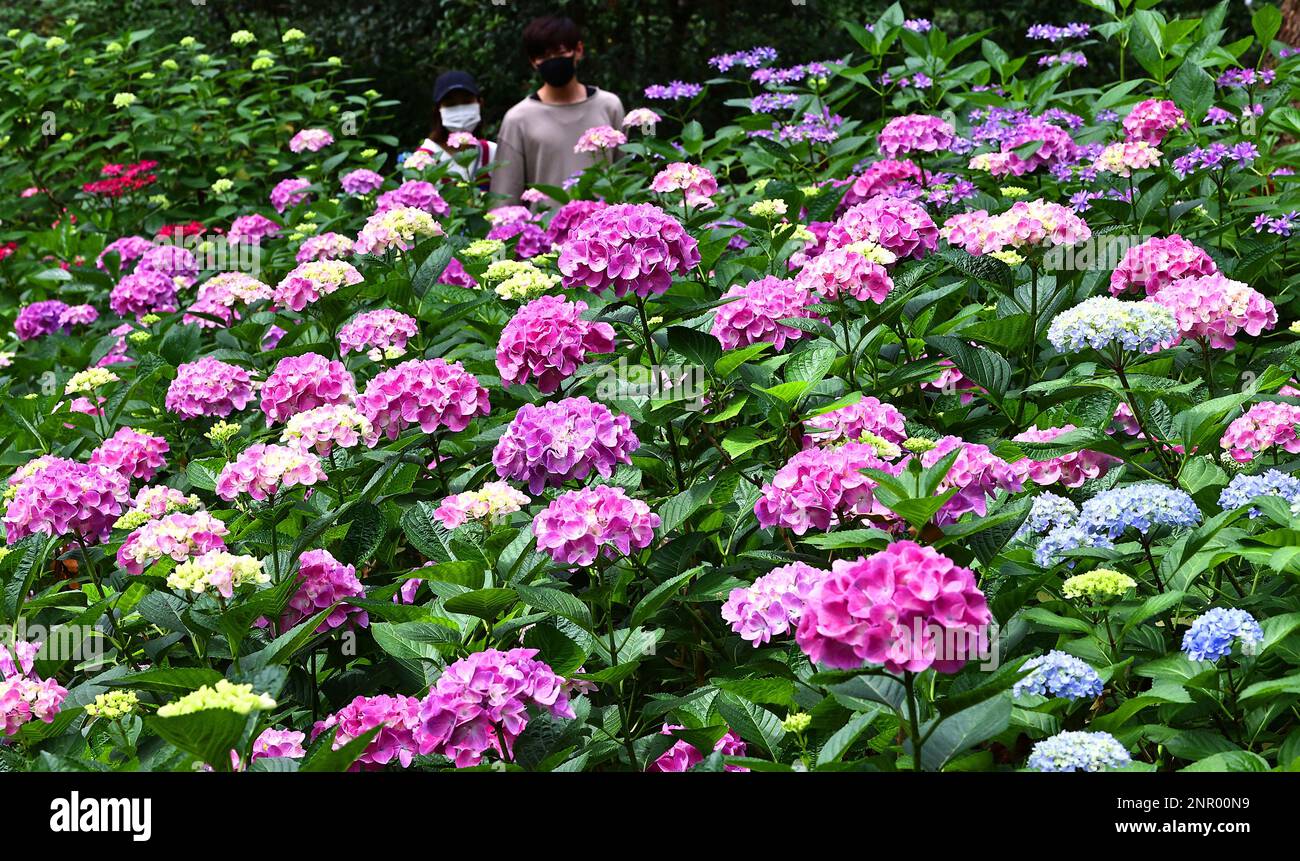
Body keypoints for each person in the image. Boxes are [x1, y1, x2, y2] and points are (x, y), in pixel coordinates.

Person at [489, 15, 624, 206]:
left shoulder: (610, 106)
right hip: (544, 232)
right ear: (533, 61)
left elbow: (626, 179)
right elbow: (504, 198)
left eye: (559, 52)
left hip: (605, 233)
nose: (552, 60)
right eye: (542, 55)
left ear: (578, 50)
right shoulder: (518, 119)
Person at [414, 70, 497, 186]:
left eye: (467, 101)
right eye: (450, 104)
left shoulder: (492, 152)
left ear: (480, 103)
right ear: (438, 110)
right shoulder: (422, 160)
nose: (460, 110)